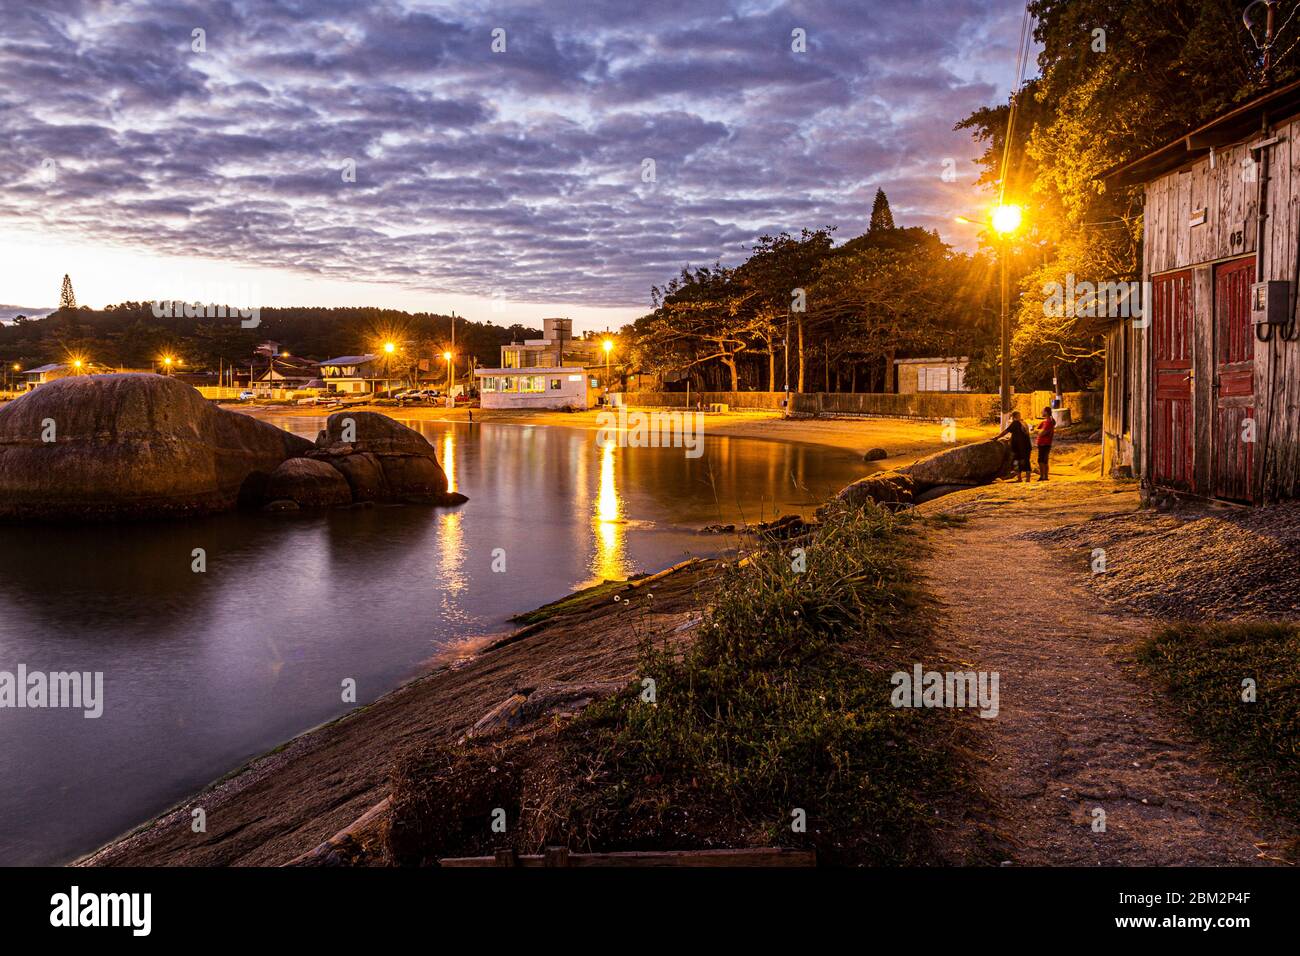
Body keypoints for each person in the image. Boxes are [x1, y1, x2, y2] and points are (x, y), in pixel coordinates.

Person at [996, 411, 1032, 482]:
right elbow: (1019, 434)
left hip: (1019, 447)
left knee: (1017, 461)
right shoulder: (1023, 423)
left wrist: (997, 437)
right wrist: (1010, 439)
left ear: (1013, 417)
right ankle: (1028, 478)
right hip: (1027, 446)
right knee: (1026, 462)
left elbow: (1006, 431)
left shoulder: (1015, 423)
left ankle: (1019, 478)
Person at [1035, 406, 1055, 481]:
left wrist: (1038, 431)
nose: (1041, 412)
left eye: (1042, 411)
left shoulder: (1048, 422)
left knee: (1042, 460)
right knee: (1043, 460)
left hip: (1044, 443)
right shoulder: (1044, 422)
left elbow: (1042, 433)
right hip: (1043, 443)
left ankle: (1043, 476)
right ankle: (1044, 476)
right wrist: (1038, 431)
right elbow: (1037, 430)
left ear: (1046, 412)